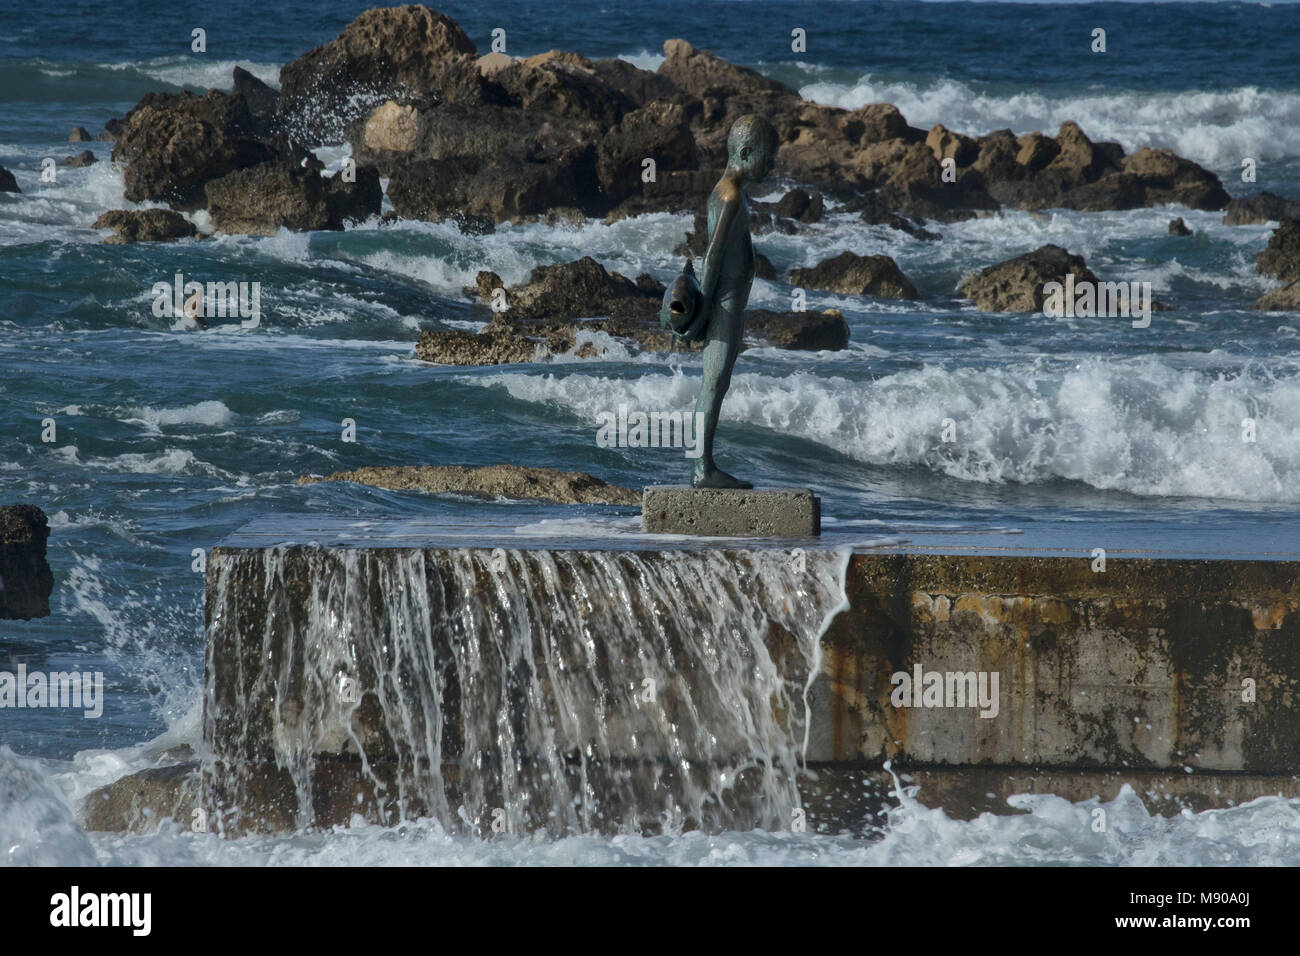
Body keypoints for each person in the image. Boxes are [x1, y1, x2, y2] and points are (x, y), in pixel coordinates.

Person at [690, 114, 777, 489]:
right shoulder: (730, 196)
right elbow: (712, 257)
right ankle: (702, 468)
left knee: (716, 383)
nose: (771, 165)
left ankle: (703, 465)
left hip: (729, 302)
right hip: (723, 303)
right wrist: (703, 308)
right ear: (745, 152)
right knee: (713, 384)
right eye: (767, 157)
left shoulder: (729, 192)